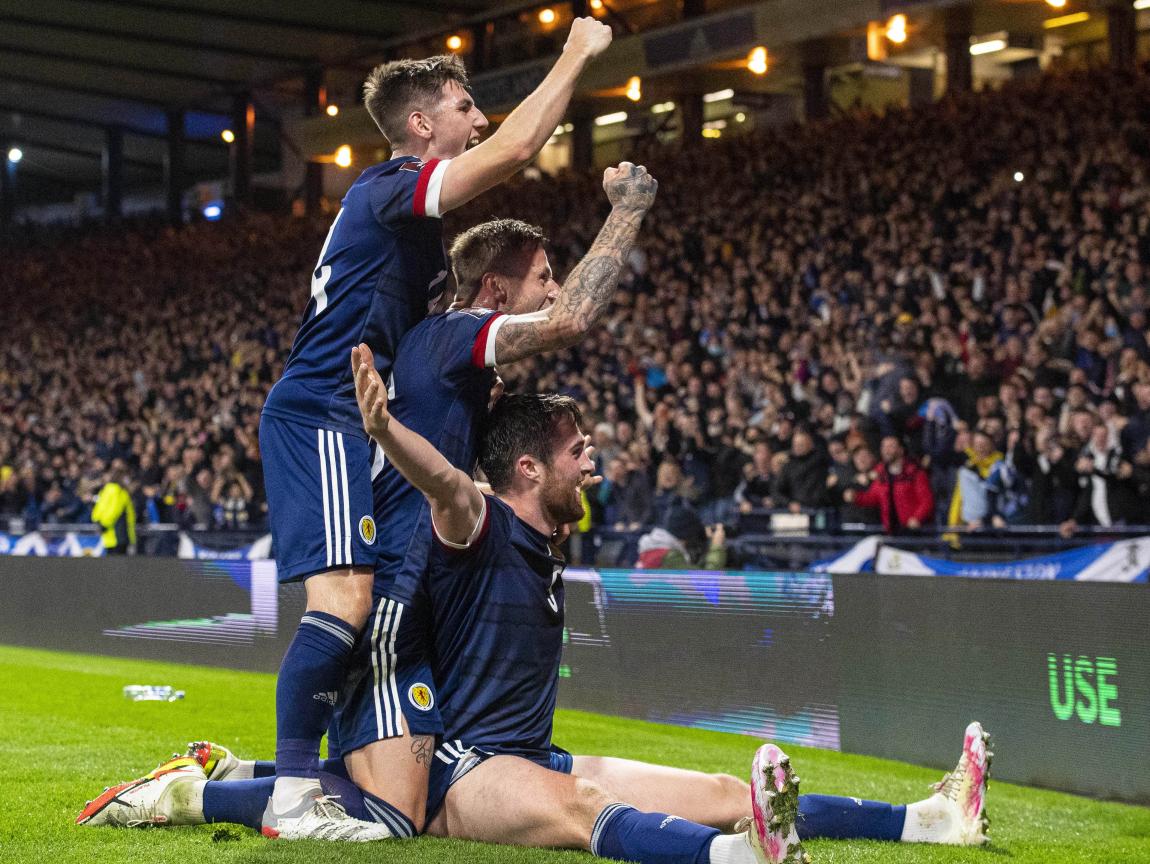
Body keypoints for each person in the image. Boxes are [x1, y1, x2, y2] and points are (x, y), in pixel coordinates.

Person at [78, 384, 993, 860]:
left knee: (722, 782)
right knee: (584, 810)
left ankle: (927, 822)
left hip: (529, 751)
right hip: (460, 768)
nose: (594, 461)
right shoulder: (479, 519)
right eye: (576, 450)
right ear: (523, 469)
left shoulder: (551, 533)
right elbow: (444, 482)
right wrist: (388, 430)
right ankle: (731, 859)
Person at [256, 17, 614, 840]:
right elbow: (516, 152)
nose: (477, 119)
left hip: (345, 417)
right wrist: (574, 54)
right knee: (344, 601)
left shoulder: (412, 240)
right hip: (324, 408)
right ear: (421, 126)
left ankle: (268, 784)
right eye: (463, 106)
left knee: (354, 621)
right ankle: (286, 794)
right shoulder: (388, 186)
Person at [843, 436, 933, 534]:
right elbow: (872, 497)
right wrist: (855, 497)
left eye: (891, 446)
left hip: (913, 532)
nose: (886, 450)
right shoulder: (882, 475)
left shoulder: (915, 473)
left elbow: (927, 501)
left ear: (901, 450)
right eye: (884, 447)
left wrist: (917, 518)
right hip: (891, 531)